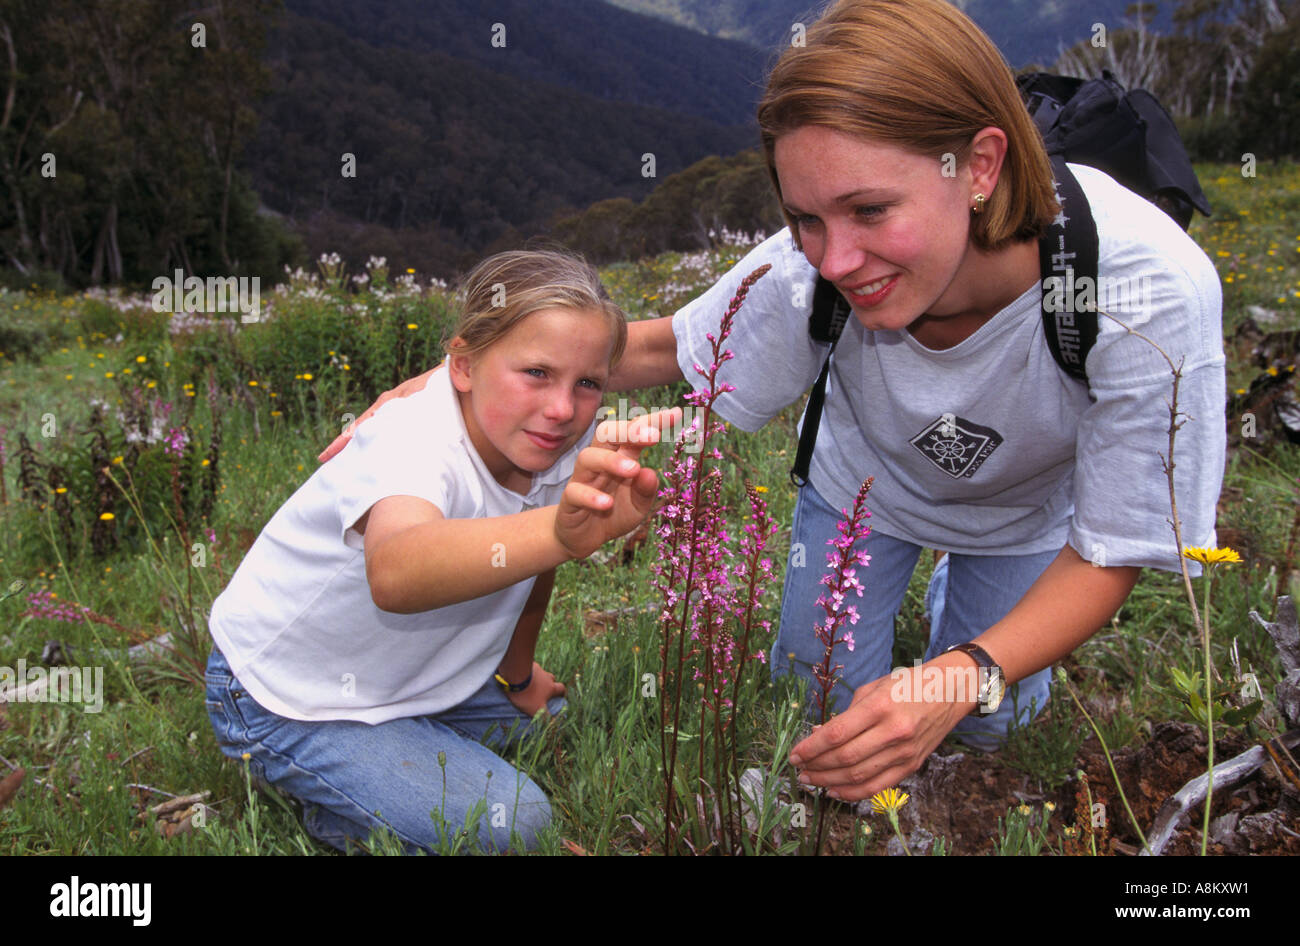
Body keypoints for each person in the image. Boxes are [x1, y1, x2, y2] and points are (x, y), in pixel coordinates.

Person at [321, 0, 1224, 804]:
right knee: (825, 718)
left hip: (1030, 513)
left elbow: (1113, 545)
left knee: (988, 723)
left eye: (872, 210)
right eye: (807, 218)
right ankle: (945, 613)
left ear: (980, 163)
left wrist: (961, 674)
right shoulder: (808, 272)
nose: (834, 261)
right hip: (862, 483)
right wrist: (459, 383)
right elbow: (661, 347)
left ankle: (970, 602)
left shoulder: (1145, 291)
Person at [205, 249, 672, 853]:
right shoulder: (410, 437)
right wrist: (560, 530)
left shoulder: (554, 440)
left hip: (404, 676)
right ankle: (326, 810)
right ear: (463, 365)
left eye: (587, 383)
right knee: (518, 825)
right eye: (536, 372)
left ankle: (404, 745)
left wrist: (518, 673)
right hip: (285, 695)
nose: (562, 409)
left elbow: (534, 568)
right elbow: (397, 572)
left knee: (553, 725)